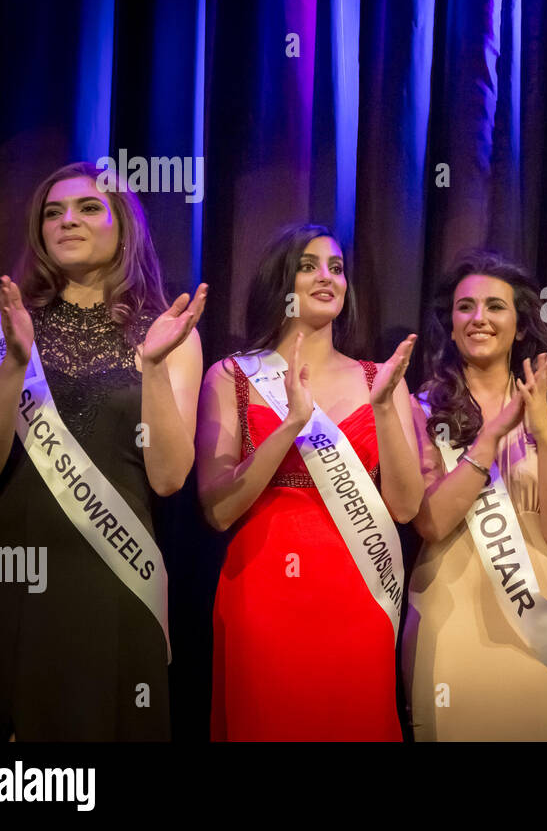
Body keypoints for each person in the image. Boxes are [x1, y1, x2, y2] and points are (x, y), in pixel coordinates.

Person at [0, 161, 204, 740]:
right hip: (17, 583)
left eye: (88, 207)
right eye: (52, 212)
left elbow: (169, 478)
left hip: (117, 582)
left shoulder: (170, 335)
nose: (66, 220)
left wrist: (150, 365)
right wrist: (15, 365)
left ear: (124, 225)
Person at [197, 223, 422, 740]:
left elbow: (407, 509)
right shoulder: (231, 375)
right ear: (281, 282)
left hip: (360, 590)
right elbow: (217, 509)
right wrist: (290, 426)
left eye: (336, 268)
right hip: (264, 591)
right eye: (308, 265)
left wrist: (385, 406)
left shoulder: (379, 378)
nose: (327, 277)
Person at [404, 250, 547, 741]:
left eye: (495, 307)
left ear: (521, 325)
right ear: (452, 322)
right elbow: (432, 523)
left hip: (537, 622)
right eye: (465, 307)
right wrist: (489, 440)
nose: (478, 318)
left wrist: (544, 433)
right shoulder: (420, 408)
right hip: (448, 620)